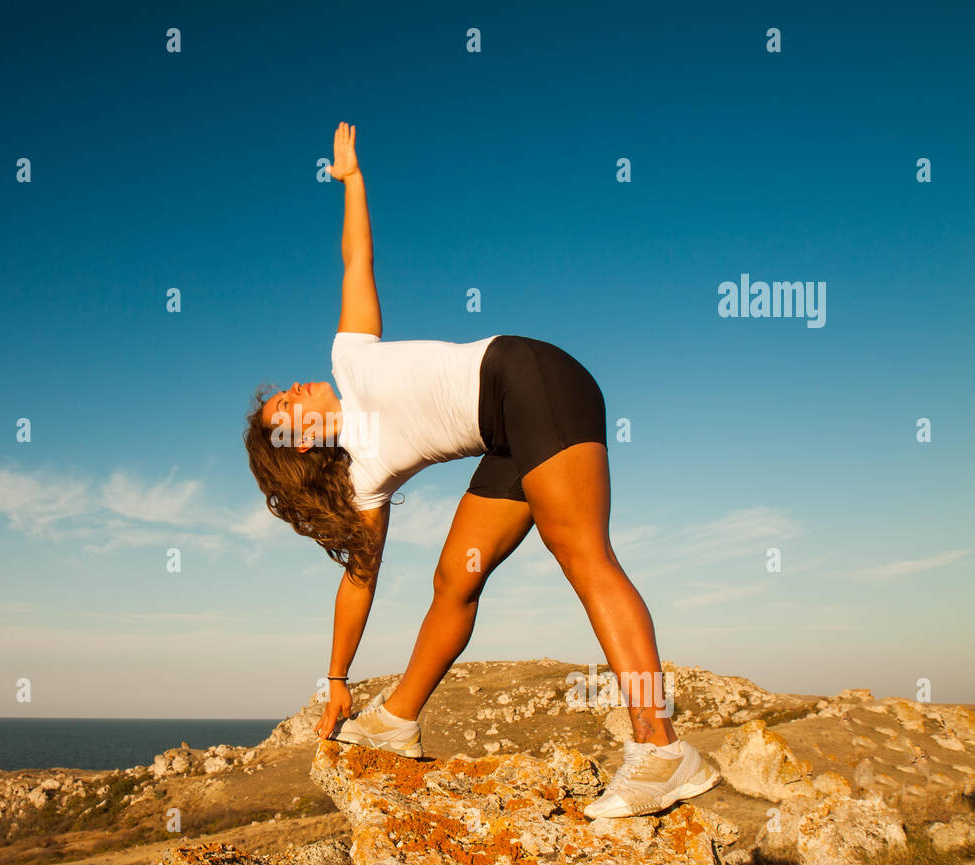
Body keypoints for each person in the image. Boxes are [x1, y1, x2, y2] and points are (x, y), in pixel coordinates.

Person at [242, 123, 720, 818]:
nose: (295, 386)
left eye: (285, 389)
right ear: (298, 442)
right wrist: (337, 678)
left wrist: (351, 182)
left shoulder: (350, 360)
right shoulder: (365, 475)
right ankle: (398, 718)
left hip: (532, 378)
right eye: (286, 403)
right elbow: (359, 581)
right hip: (506, 434)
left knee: (581, 552)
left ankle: (660, 746)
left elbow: (356, 263)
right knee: (454, 578)